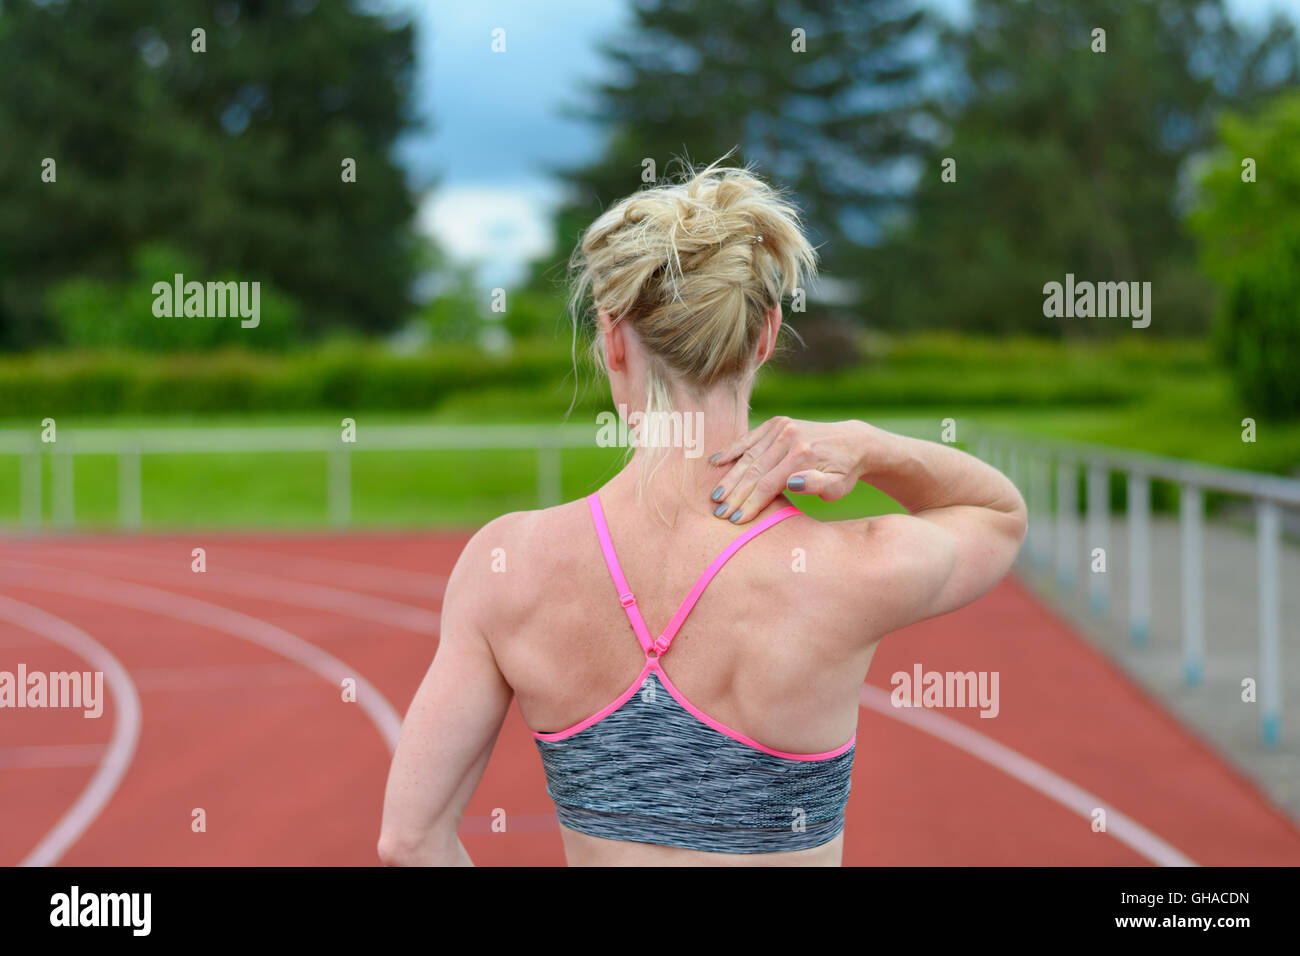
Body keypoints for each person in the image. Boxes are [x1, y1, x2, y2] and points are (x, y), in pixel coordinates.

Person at [378, 158, 1027, 866]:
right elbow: (995, 514)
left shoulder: (505, 566)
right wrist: (868, 447)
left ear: (613, 337)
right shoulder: (849, 570)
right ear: (768, 333)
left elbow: (410, 843)